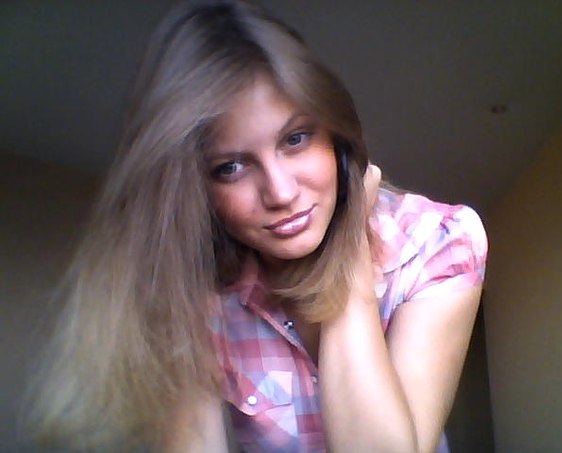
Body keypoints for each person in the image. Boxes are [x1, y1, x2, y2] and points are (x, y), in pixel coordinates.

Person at [27, 1, 487, 452]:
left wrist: (347, 265)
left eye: (296, 138)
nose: (281, 192)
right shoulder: (192, 292)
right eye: (230, 167)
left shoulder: (438, 241)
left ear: (336, 136)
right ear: (196, 190)